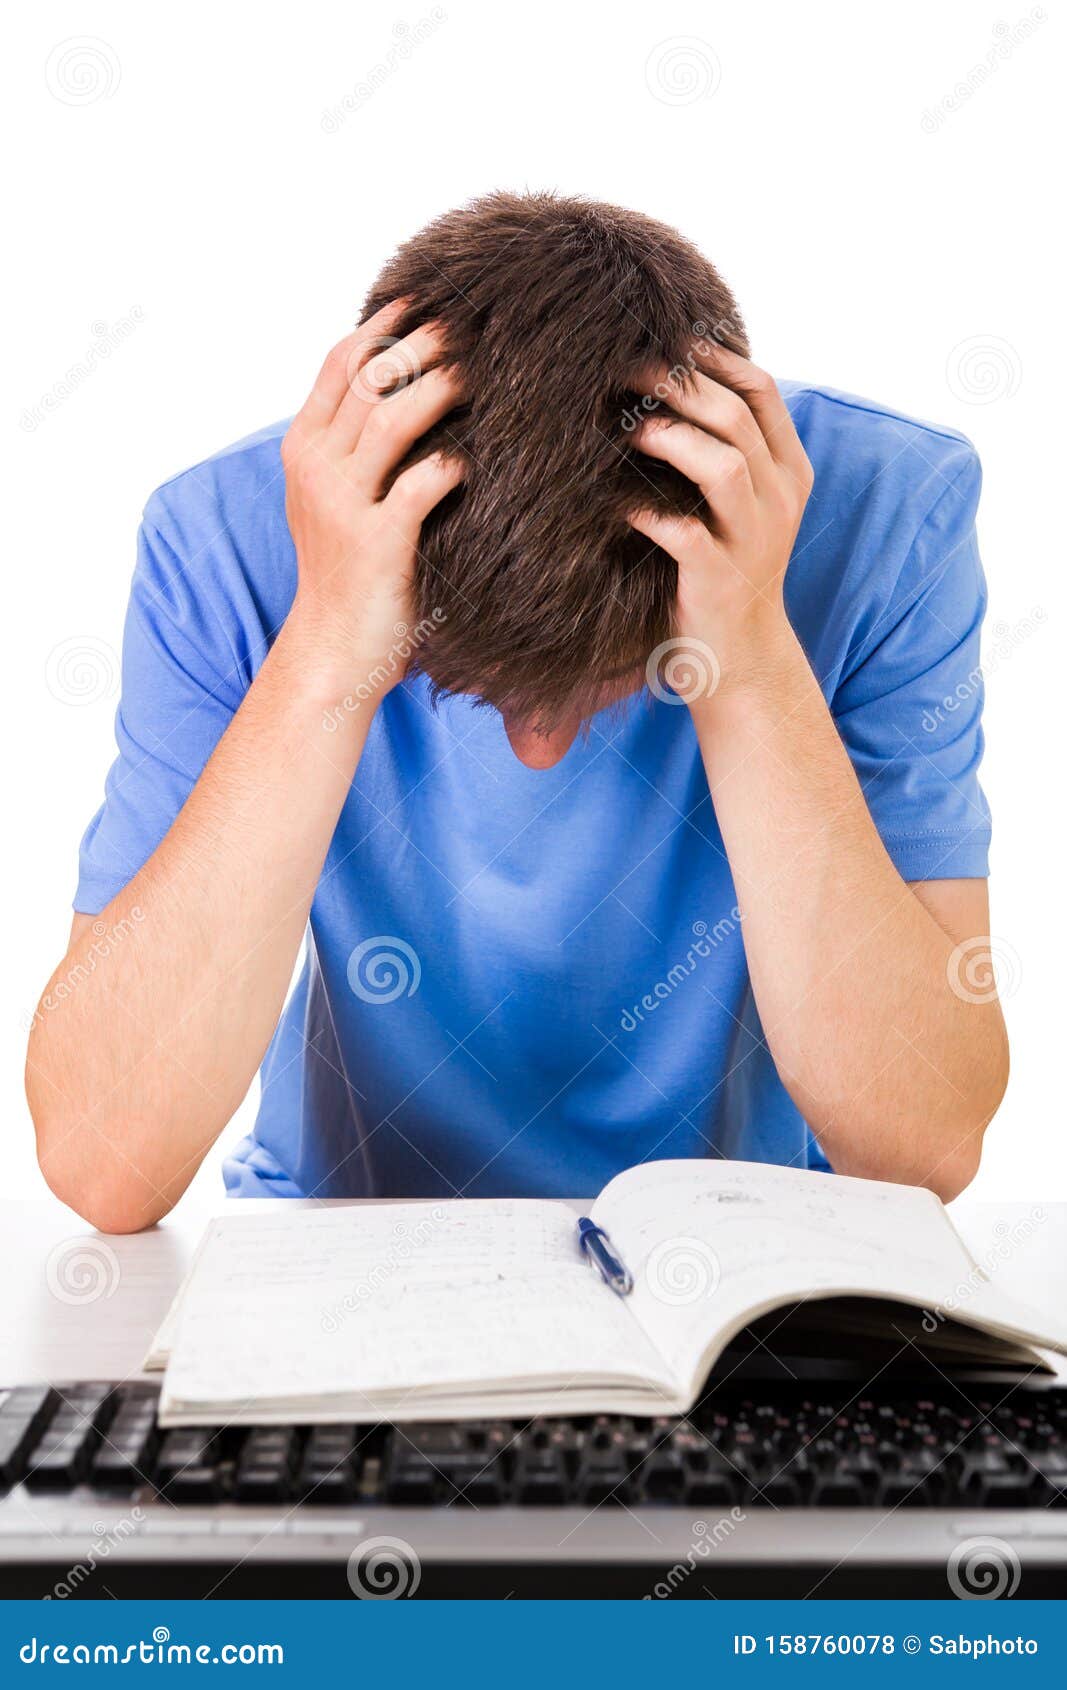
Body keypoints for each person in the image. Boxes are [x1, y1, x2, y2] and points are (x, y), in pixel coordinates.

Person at [26, 194, 1008, 1233]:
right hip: (329, 1247)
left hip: (748, 1257)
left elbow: (921, 1145)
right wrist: (327, 643)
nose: (538, 750)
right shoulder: (223, 533)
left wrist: (750, 654)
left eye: (610, 680)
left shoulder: (886, 510)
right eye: (472, 683)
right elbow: (105, 1163)